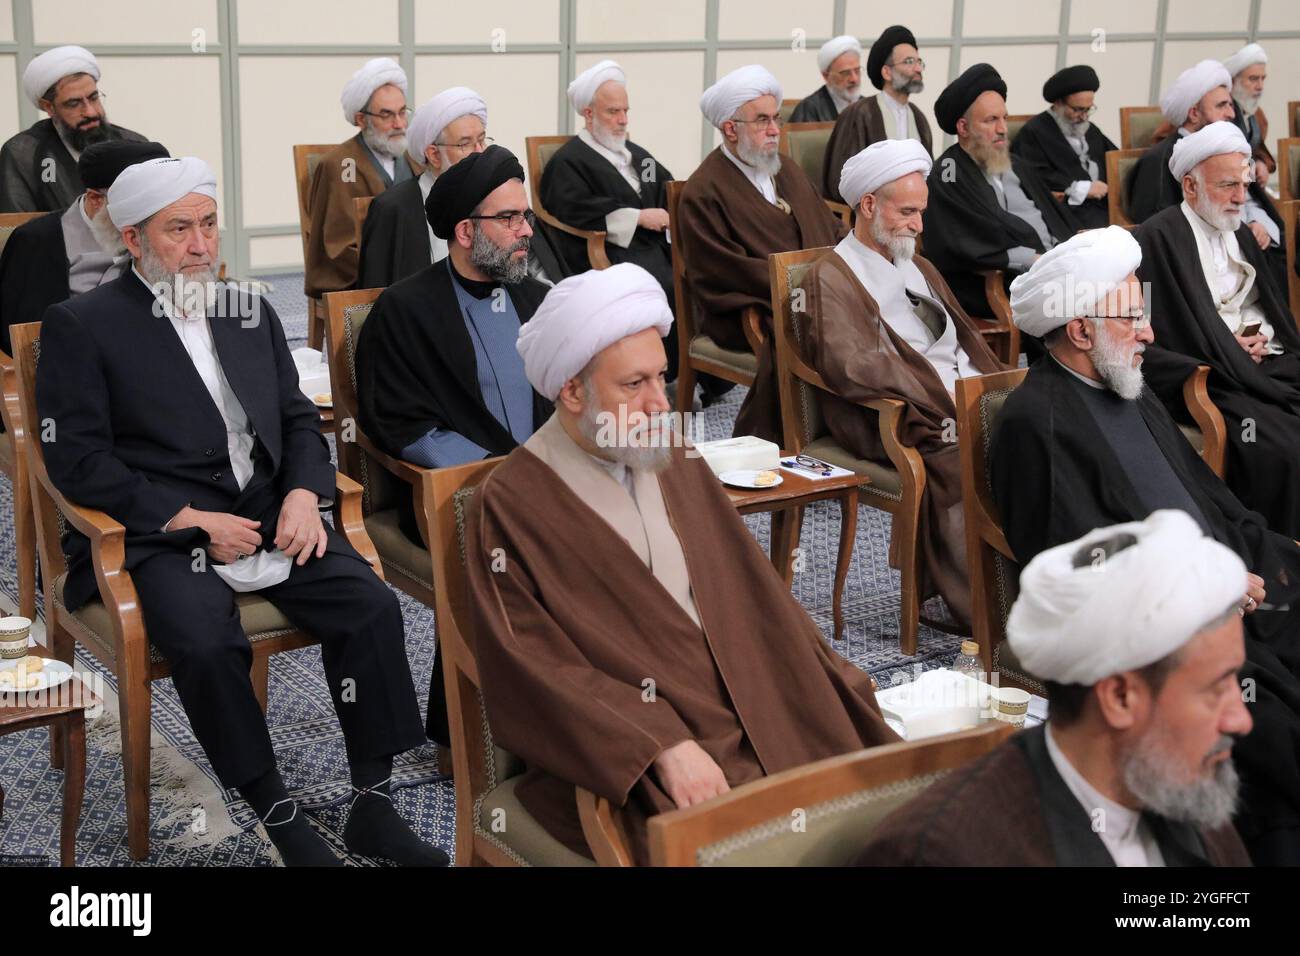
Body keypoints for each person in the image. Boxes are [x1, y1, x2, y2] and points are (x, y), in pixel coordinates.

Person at [35, 156, 445, 867]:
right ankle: (274, 806)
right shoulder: (83, 325)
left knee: (370, 606)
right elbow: (79, 462)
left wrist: (301, 493)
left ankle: (372, 803)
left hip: (264, 510)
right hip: (161, 533)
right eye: (178, 230)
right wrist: (188, 519)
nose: (201, 245)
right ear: (133, 241)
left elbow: (294, 418)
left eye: (208, 224)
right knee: (204, 641)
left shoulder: (246, 307)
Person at [466, 263, 898, 865]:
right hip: (633, 748)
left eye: (662, 378)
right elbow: (533, 663)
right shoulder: (511, 502)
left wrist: (824, 675)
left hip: (753, 693)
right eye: (632, 384)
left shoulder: (671, 454)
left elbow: (755, 592)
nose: (656, 403)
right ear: (571, 390)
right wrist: (660, 745)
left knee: (883, 802)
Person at [990, 225, 1300, 864]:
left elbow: (1213, 502)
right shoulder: (1035, 427)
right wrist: (1204, 587)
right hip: (1168, 635)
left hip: (1235, 586)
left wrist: (1253, 558)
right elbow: (1078, 570)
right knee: (1275, 736)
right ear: (1080, 331)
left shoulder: (1126, 388)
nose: (1150, 333)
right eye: (1134, 317)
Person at [858, 510, 1254, 866]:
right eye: (1215, 690)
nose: (1242, 720)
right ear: (1119, 698)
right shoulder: (946, 853)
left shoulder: (1184, 788)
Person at [800, 140, 1004, 625]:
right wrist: (951, 401)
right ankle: (978, 603)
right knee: (966, 452)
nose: (918, 225)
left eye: (921, 212)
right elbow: (851, 367)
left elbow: (964, 339)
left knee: (1037, 432)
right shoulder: (831, 276)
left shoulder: (918, 265)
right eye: (907, 211)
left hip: (952, 397)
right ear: (867, 205)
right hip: (885, 416)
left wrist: (992, 389)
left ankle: (1031, 583)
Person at [1136, 121, 1300, 539]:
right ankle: (1281, 558)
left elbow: (1267, 305)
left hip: (1269, 364)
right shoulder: (1158, 239)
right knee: (1282, 450)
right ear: (1190, 186)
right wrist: (1227, 349)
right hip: (1219, 378)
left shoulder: (1238, 230)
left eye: (1243, 184)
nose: (1241, 197)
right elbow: (1153, 331)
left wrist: (1262, 339)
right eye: (1227, 185)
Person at [677, 64, 845, 441]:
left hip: (815, 292)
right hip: (748, 310)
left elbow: (829, 227)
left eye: (777, 119)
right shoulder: (704, 191)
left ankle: (862, 424)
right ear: (730, 129)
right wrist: (808, 283)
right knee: (824, 328)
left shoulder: (785, 169)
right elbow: (721, 271)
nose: (774, 130)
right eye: (762, 121)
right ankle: (824, 436)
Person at [921, 63, 1075, 320]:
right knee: (1101, 305)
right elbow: (960, 242)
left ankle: (1137, 354)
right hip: (996, 283)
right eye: (991, 120)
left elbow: (1054, 219)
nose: (1003, 128)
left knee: (1135, 288)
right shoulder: (948, 171)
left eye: (1004, 117)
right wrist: (1036, 260)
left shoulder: (1017, 164)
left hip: (1054, 267)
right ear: (963, 127)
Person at [539, 59, 674, 326]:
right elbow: (570, 207)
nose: (623, 120)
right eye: (613, 111)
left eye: (625, 111)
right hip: (616, 254)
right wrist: (637, 217)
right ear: (588, 114)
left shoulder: (638, 156)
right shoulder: (569, 161)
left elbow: (663, 186)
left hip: (661, 247)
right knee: (666, 286)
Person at [1, 140, 168, 355]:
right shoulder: (36, 241)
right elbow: (17, 335)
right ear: (95, 199)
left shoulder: (160, 233)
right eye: (134, 203)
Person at [303, 57, 420, 301]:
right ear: (360, 119)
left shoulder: (412, 158)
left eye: (402, 112)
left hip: (411, 274)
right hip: (363, 280)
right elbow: (338, 248)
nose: (399, 124)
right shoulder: (339, 166)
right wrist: (397, 273)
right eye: (386, 115)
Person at [1, 45, 147, 212]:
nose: (90, 112)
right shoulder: (24, 154)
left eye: (94, 98)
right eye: (74, 104)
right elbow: (14, 228)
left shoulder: (135, 145)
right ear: (49, 107)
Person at [822, 25, 933, 201]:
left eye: (919, 62)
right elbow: (841, 182)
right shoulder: (859, 114)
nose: (918, 69)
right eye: (909, 62)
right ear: (887, 72)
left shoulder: (918, 117)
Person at [1010, 65, 1117, 230]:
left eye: (1088, 110)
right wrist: (1081, 188)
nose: (1084, 116)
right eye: (1077, 110)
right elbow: (1030, 176)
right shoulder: (1035, 132)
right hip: (1065, 213)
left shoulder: (1090, 129)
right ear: (1059, 103)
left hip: (1103, 207)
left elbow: (1113, 159)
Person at [789, 35, 863, 122]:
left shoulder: (867, 107)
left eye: (857, 71)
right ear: (826, 76)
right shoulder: (809, 109)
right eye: (845, 73)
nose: (854, 79)